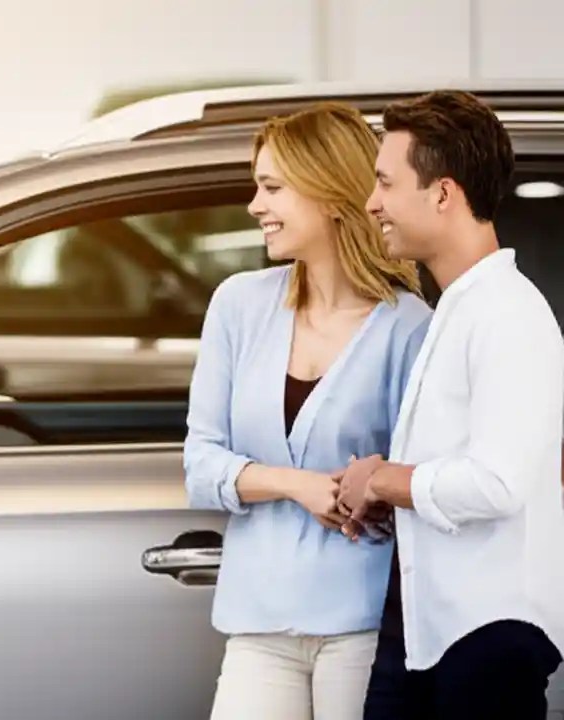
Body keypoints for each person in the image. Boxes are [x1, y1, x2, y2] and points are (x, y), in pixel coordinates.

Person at [182, 102, 431, 720]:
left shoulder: (410, 327)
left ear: (329, 194)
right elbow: (200, 464)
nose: (254, 205)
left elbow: (423, 477)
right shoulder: (238, 305)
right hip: (258, 625)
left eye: (272, 187)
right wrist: (301, 487)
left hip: (367, 625)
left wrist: (375, 485)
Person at [341, 89, 564, 720]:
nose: (371, 203)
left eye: (385, 182)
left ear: (442, 194)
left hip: (485, 642)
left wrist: (383, 479)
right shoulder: (460, 309)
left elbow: (497, 483)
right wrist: (390, 494)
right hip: (437, 635)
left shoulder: (508, 315)